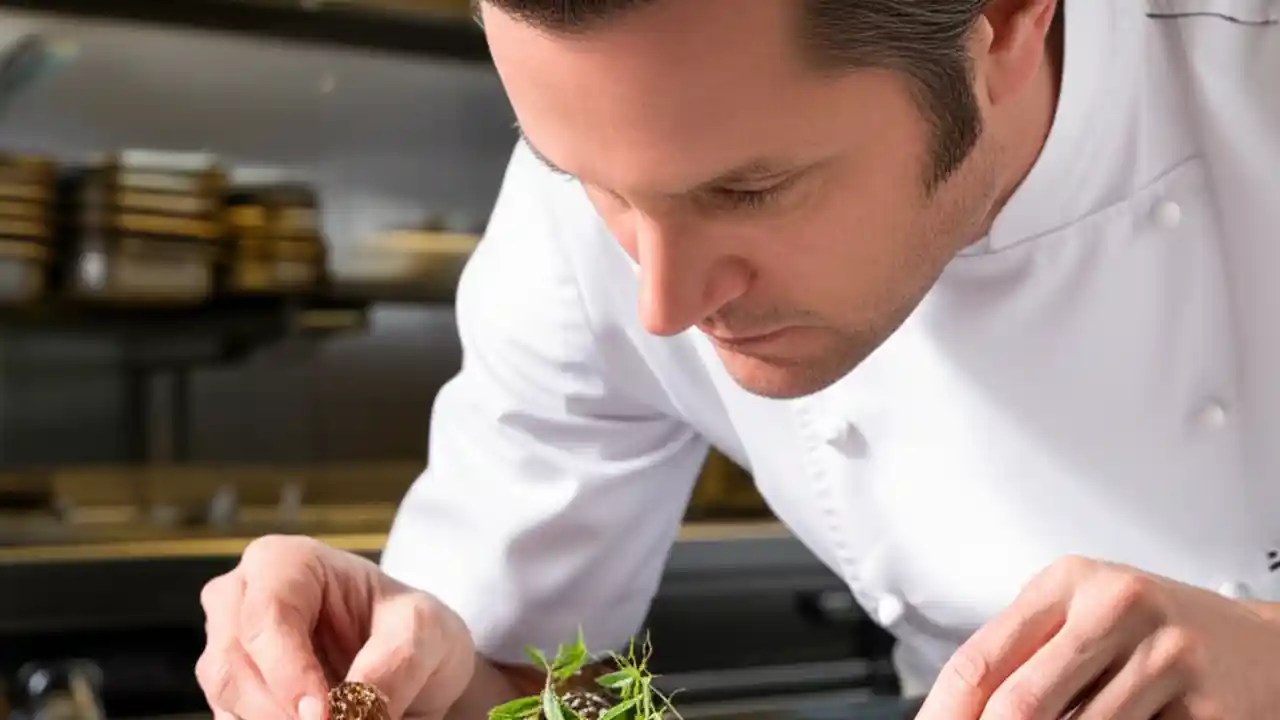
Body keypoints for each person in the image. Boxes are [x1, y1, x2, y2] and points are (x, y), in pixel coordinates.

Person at [196, 1, 1280, 718]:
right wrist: (394, 666)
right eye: (598, 187)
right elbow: (512, 680)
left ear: (997, 23)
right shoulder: (589, 193)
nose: (661, 304)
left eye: (748, 191)